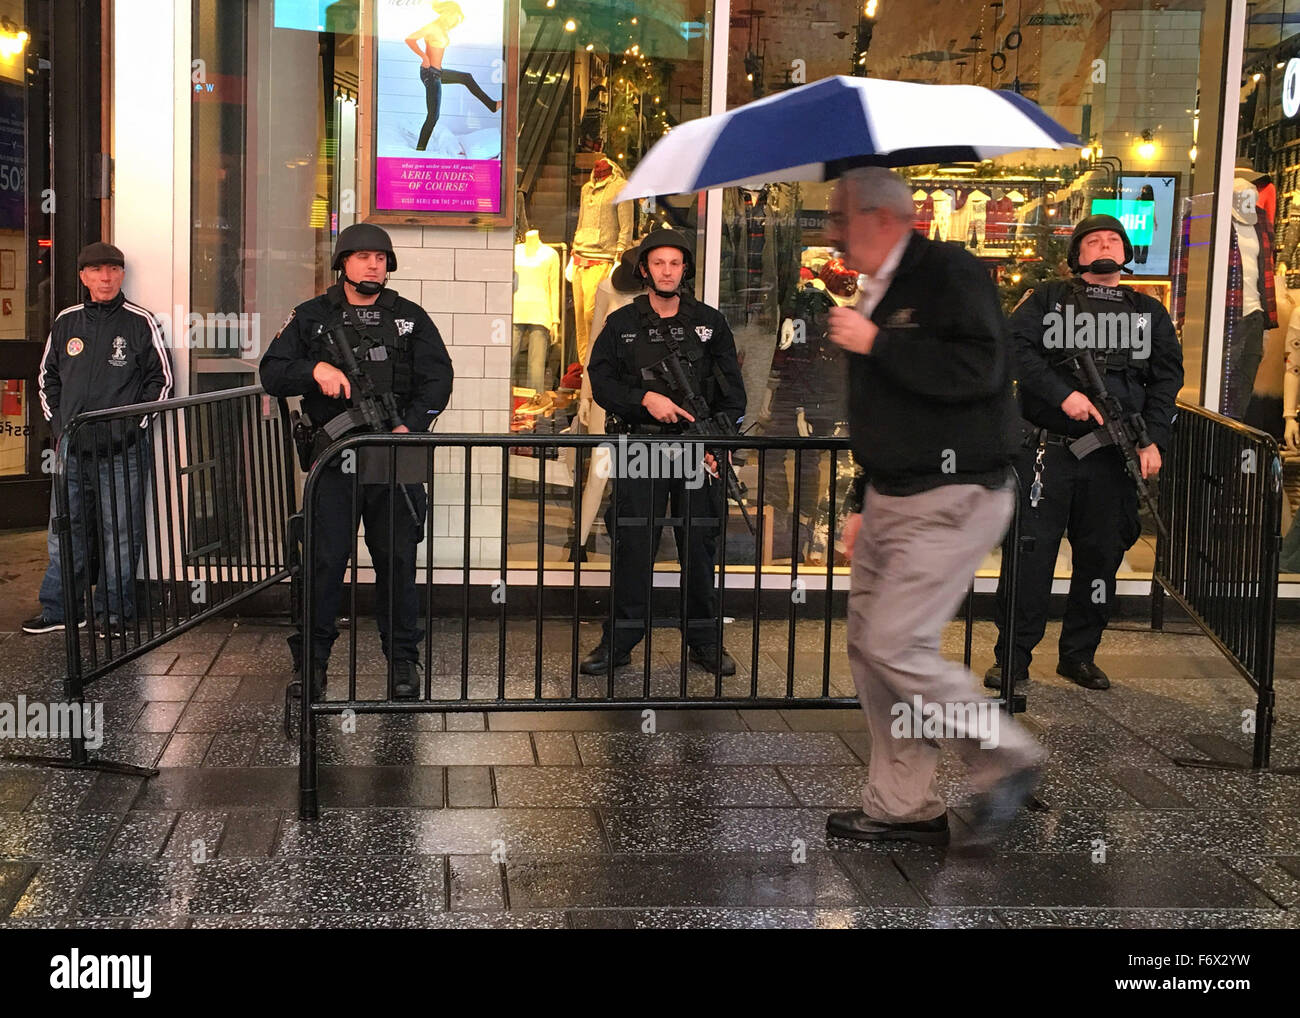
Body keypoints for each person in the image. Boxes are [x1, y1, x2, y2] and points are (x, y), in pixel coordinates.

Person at [823, 167, 1045, 849]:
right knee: (870, 647)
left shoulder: (951, 271)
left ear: (882, 219)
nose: (832, 232)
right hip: (894, 494)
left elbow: (980, 369)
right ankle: (902, 804)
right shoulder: (875, 288)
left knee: (897, 642)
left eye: (841, 217)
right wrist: (865, 499)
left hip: (957, 491)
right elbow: (892, 410)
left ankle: (1005, 755)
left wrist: (879, 342)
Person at [989, 214, 1183, 691]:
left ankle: (1078, 655)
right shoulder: (1048, 299)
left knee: (1099, 560)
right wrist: (1062, 395)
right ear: (1077, 255)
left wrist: (1152, 438)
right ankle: (1012, 659)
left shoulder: (1148, 312)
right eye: (1092, 240)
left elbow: (1166, 379)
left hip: (1113, 458)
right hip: (1047, 453)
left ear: (1125, 253)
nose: (1103, 245)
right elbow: (1013, 349)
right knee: (1029, 559)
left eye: (1113, 239)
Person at [259, 223, 453, 699]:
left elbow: (438, 379)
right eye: (362, 257)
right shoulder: (311, 317)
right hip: (334, 457)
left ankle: (403, 662)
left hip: (394, 454)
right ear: (342, 263)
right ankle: (313, 663)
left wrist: (412, 425)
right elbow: (272, 372)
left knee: (397, 561)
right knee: (325, 563)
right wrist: (314, 368)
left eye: (381, 258)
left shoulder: (409, 317)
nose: (373, 265)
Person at [582, 229, 746, 676]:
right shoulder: (622, 323)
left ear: (685, 269)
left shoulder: (709, 323)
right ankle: (618, 642)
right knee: (634, 545)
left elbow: (733, 395)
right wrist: (644, 400)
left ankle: (705, 642)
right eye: (659, 263)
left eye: (675, 263)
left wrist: (720, 444)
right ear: (645, 270)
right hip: (643, 444)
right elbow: (603, 382)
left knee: (699, 546)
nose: (667, 271)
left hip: (696, 449)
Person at [24, 242, 173, 638]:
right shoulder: (66, 321)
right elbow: (47, 378)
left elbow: (162, 382)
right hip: (71, 448)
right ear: (83, 277)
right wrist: (60, 426)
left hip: (122, 451)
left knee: (120, 533)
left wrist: (131, 427)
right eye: (96, 271)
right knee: (64, 530)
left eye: (112, 270)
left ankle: (113, 614)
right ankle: (61, 610)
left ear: (122, 275)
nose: (105, 278)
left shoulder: (141, 322)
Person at [405, 1, 502, 153]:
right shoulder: (433, 27)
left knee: (466, 78)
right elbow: (410, 39)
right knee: (433, 116)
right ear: (447, 13)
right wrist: (424, 57)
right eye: (453, 18)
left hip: (437, 71)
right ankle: (419, 150)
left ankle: (492, 105)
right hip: (430, 73)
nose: (454, 22)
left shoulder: (442, 29)